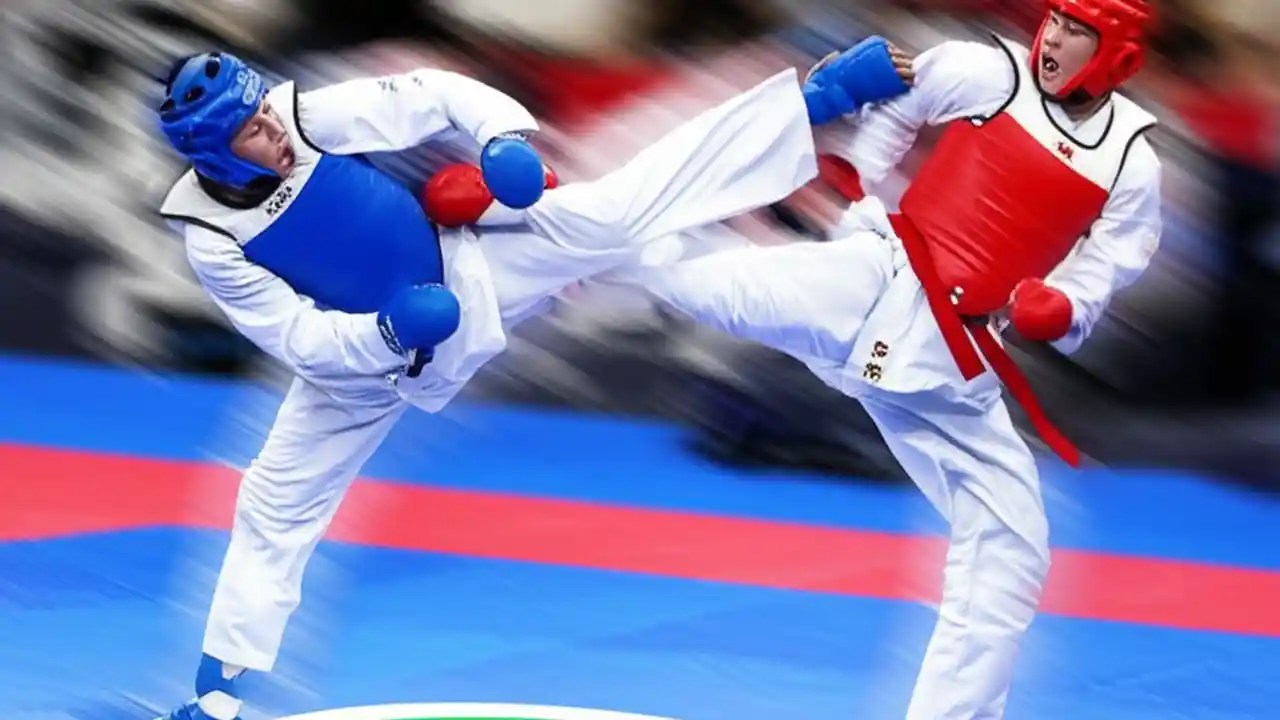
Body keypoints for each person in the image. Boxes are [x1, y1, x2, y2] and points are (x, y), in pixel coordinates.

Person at [151, 38, 914, 720]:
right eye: (253, 130)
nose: (274, 129)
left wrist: (499, 140)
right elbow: (296, 337)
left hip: (472, 261)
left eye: (264, 111)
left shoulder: (305, 114)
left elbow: (434, 94)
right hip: (368, 359)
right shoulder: (216, 239)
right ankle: (221, 690)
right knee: (274, 498)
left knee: (618, 214)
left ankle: (813, 103)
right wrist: (383, 332)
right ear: (215, 156)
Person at [632, 0, 1162, 716]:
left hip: (956, 361)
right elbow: (906, 99)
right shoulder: (989, 70)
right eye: (1056, 21)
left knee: (1013, 541)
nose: (1054, 40)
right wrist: (854, 167)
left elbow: (1112, 260)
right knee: (698, 283)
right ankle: (543, 234)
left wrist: (1067, 304)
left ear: (1120, 57)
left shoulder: (1132, 160)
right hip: (880, 279)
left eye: (1079, 32)